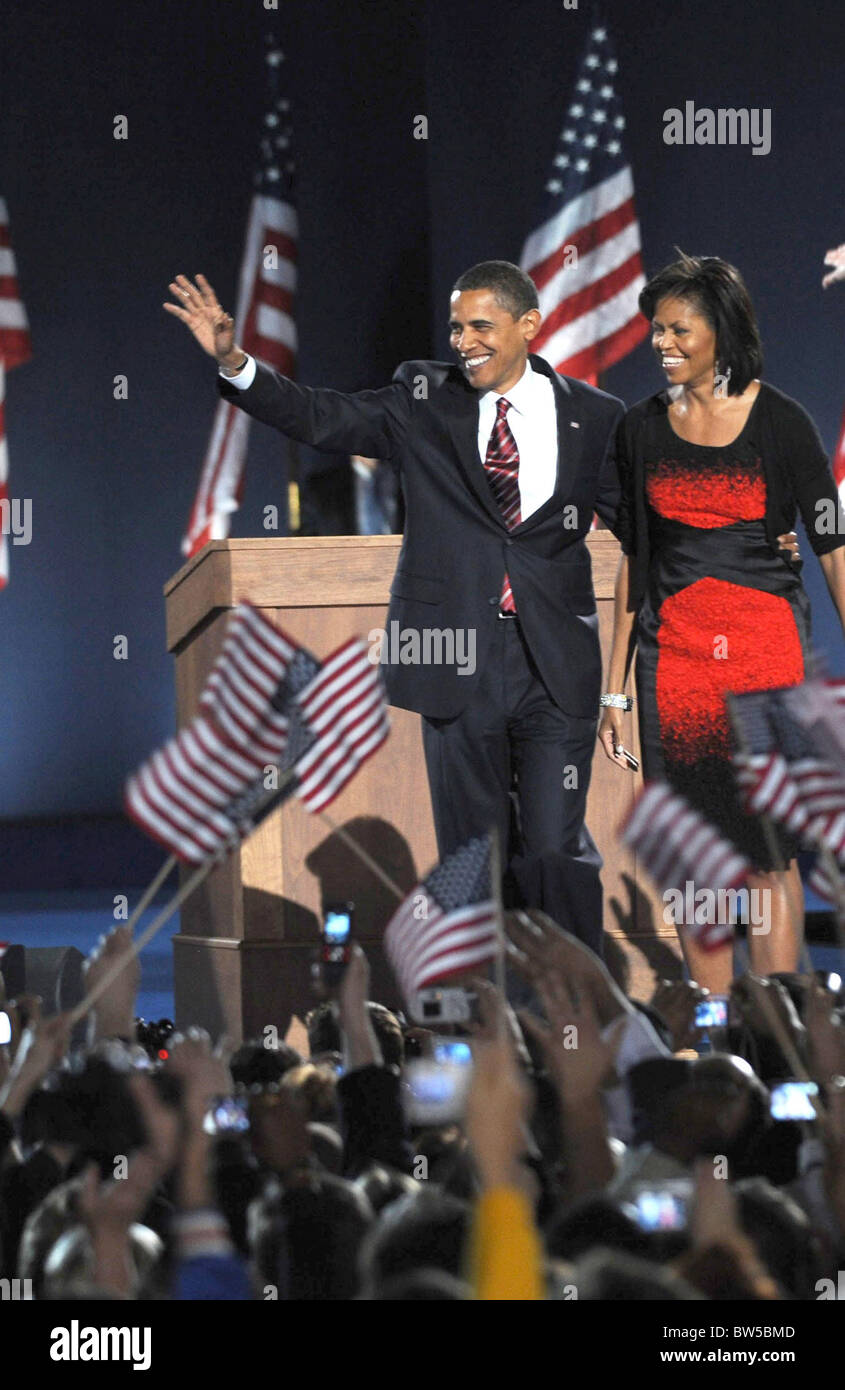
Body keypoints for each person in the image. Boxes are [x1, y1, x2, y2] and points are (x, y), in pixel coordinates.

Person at [164, 261, 625, 957]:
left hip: (554, 665)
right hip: (456, 660)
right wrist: (234, 362)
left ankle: (581, 1021)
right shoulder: (422, 397)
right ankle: (487, 1026)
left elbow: (644, 520)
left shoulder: (594, 416)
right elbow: (321, 415)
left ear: (528, 326)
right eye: (455, 326)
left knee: (555, 853)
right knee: (474, 861)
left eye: (481, 326)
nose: (463, 340)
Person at [598, 253, 845, 992]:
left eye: (677, 328)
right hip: (674, 669)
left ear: (723, 332)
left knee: (769, 855)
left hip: (768, 663)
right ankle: (711, 1042)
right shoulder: (638, 429)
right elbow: (633, 565)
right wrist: (614, 690)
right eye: (654, 329)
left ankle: (776, 1033)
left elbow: (832, 551)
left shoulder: (782, 422)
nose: (660, 342)